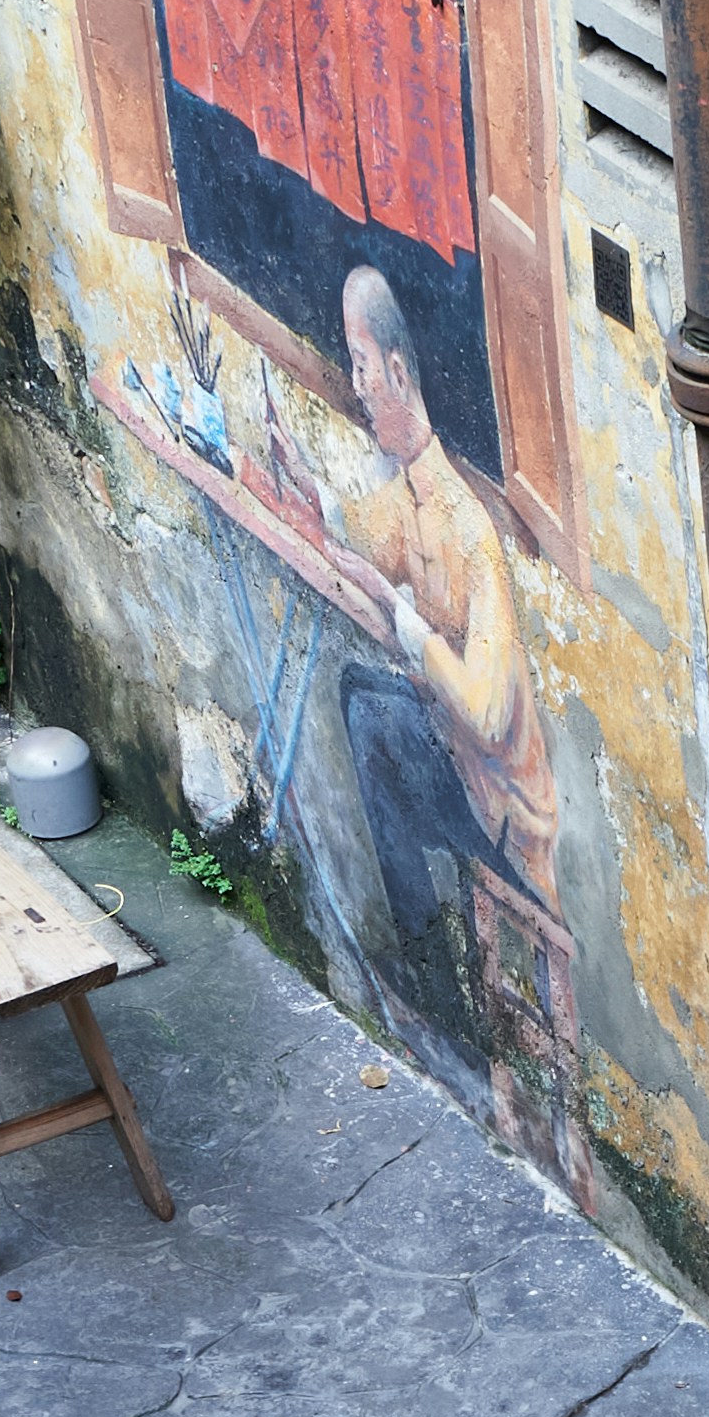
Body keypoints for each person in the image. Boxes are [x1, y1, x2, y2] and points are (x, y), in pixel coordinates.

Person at [256, 267, 558, 1011]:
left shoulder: (469, 530)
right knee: (363, 694)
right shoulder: (409, 496)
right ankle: (426, 964)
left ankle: (431, 982)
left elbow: (486, 713)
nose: (356, 386)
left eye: (360, 367)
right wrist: (306, 485)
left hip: (503, 810)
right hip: (461, 769)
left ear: (395, 370)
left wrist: (404, 618)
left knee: (371, 715)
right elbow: (361, 537)